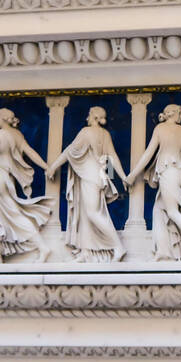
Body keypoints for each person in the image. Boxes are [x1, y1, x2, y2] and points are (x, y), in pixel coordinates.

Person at [125, 104, 181, 261]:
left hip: (169, 172)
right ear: (174, 114)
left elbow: (148, 153)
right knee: (158, 211)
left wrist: (133, 175)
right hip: (173, 173)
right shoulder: (174, 130)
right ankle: (163, 251)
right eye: (180, 113)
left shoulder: (162, 129)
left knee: (172, 212)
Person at [50, 107, 129, 263]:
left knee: (92, 213)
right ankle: (86, 252)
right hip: (99, 176)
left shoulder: (86, 132)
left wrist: (53, 166)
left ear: (93, 116)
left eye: (89, 115)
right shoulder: (105, 134)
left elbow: (69, 151)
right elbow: (110, 158)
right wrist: (118, 177)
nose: (87, 118)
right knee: (86, 214)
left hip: (90, 176)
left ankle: (118, 246)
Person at [0, 108, 53, 261]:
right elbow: (30, 152)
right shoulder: (17, 135)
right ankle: (43, 247)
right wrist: (46, 166)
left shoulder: (0, 134)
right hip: (7, 180)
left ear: (2, 119)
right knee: (14, 214)